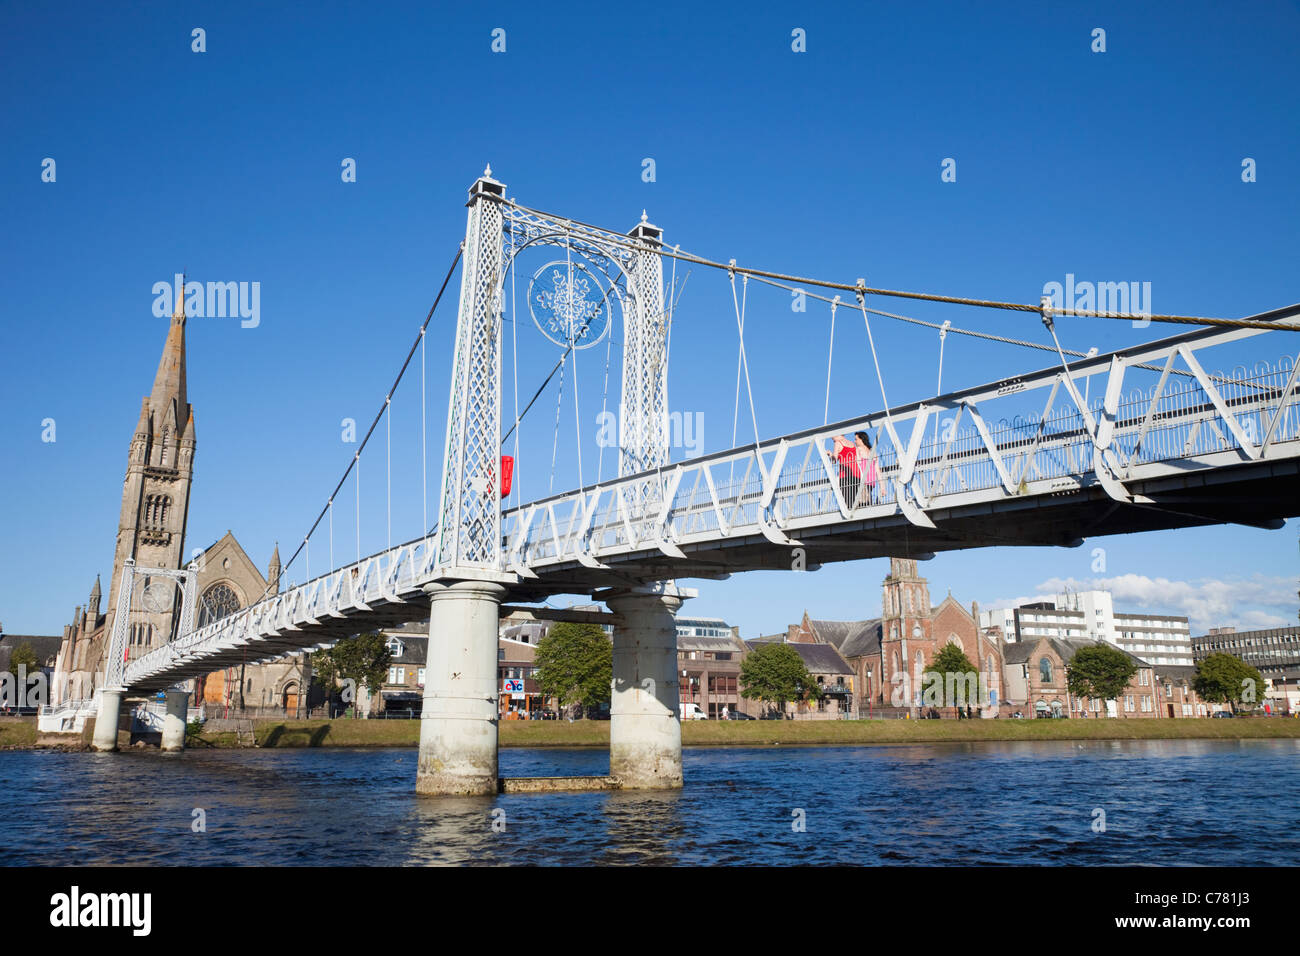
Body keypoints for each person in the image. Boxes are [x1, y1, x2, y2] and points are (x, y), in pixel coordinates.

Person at [827, 431, 877, 508]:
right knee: (857, 501)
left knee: (848, 503)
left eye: (832, 437)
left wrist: (830, 454)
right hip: (856, 475)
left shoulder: (837, 443)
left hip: (845, 476)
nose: (832, 439)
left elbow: (834, 461)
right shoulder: (852, 444)